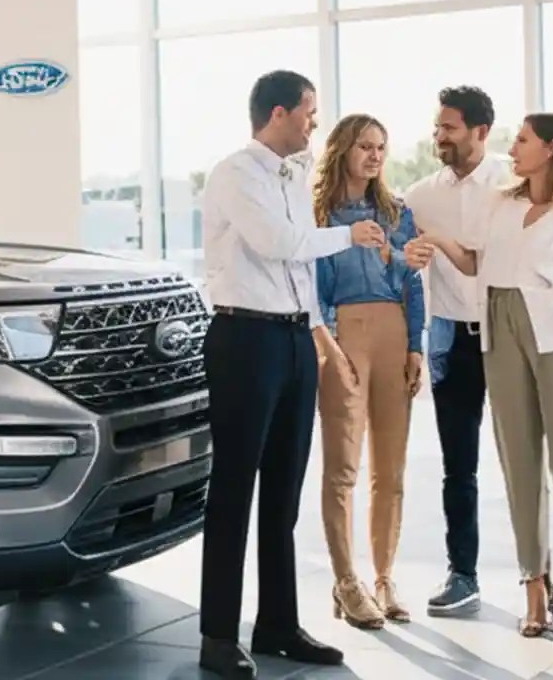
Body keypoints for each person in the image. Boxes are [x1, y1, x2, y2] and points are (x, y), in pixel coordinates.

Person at [197, 69, 386, 678]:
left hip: (293, 340)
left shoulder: (296, 174)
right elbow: (279, 242)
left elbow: (297, 266)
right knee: (233, 491)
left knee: (284, 490)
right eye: (308, 110)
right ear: (277, 113)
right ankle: (217, 637)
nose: (314, 121)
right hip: (244, 339)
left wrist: (317, 339)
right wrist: (347, 235)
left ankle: (278, 624)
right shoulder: (234, 173)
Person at [405, 112, 553, 647]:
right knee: (520, 464)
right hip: (500, 326)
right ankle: (534, 587)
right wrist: (434, 240)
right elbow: (475, 263)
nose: (512, 149)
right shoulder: (503, 201)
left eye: (522, 140)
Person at [312, 114, 425, 630]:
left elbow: (414, 282)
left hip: (394, 331)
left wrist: (416, 346)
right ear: (342, 150)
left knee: (391, 471)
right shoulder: (319, 216)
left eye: (382, 146)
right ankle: (346, 581)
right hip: (342, 335)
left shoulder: (398, 213)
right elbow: (313, 289)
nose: (375, 155)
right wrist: (331, 347)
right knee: (342, 468)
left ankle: (384, 577)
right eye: (365, 145)